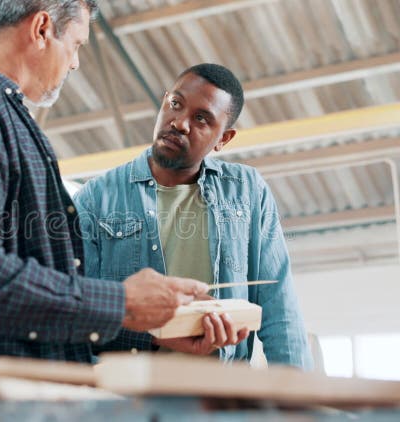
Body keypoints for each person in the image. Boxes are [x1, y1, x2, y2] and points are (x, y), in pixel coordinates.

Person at [0, 0, 210, 375]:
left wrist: (149, 329)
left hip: (0, 390)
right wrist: (122, 303)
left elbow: (26, 312)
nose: (75, 63)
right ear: (41, 29)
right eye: (76, 44)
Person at [74, 64, 313, 369]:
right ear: (164, 101)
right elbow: (77, 308)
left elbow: (279, 305)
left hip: (220, 390)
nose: (180, 123)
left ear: (223, 139)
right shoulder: (95, 198)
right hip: (130, 388)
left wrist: (297, 391)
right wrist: (150, 334)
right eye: (175, 104)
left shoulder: (246, 191)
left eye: (201, 118)